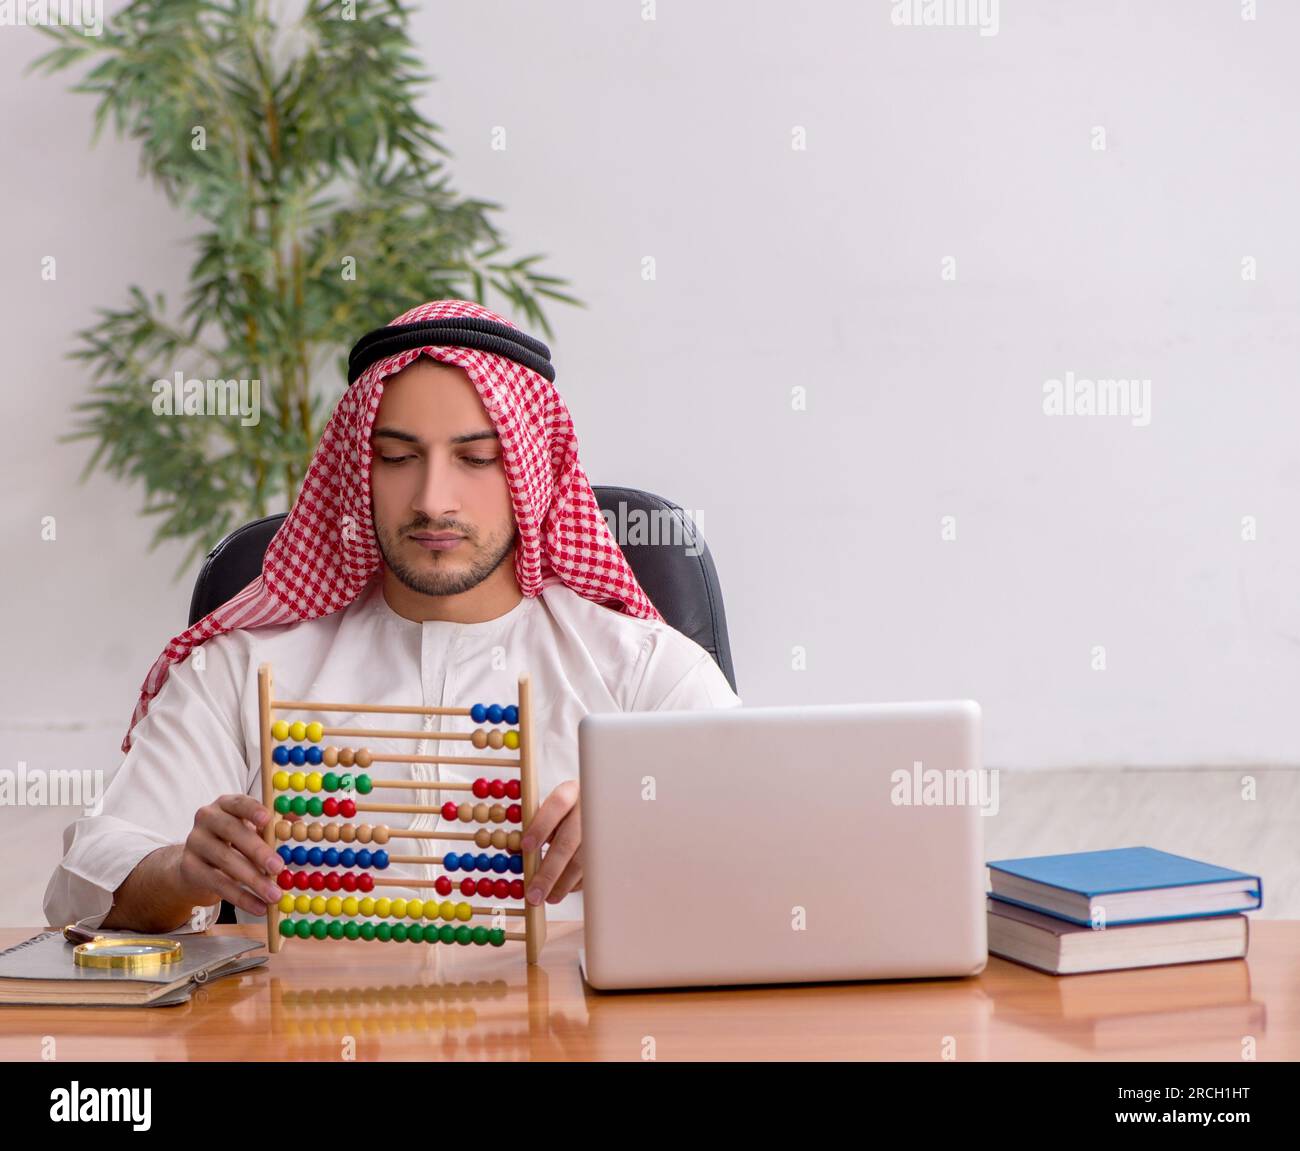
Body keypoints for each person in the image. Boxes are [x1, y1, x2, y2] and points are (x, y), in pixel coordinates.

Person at [43, 299, 740, 936]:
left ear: (531, 472)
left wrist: (646, 817)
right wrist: (183, 873)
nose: (434, 498)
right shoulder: (241, 669)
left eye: (476, 458)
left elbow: (774, 841)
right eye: (398, 457)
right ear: (358, 471)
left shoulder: (643, 668)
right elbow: (83, 883)